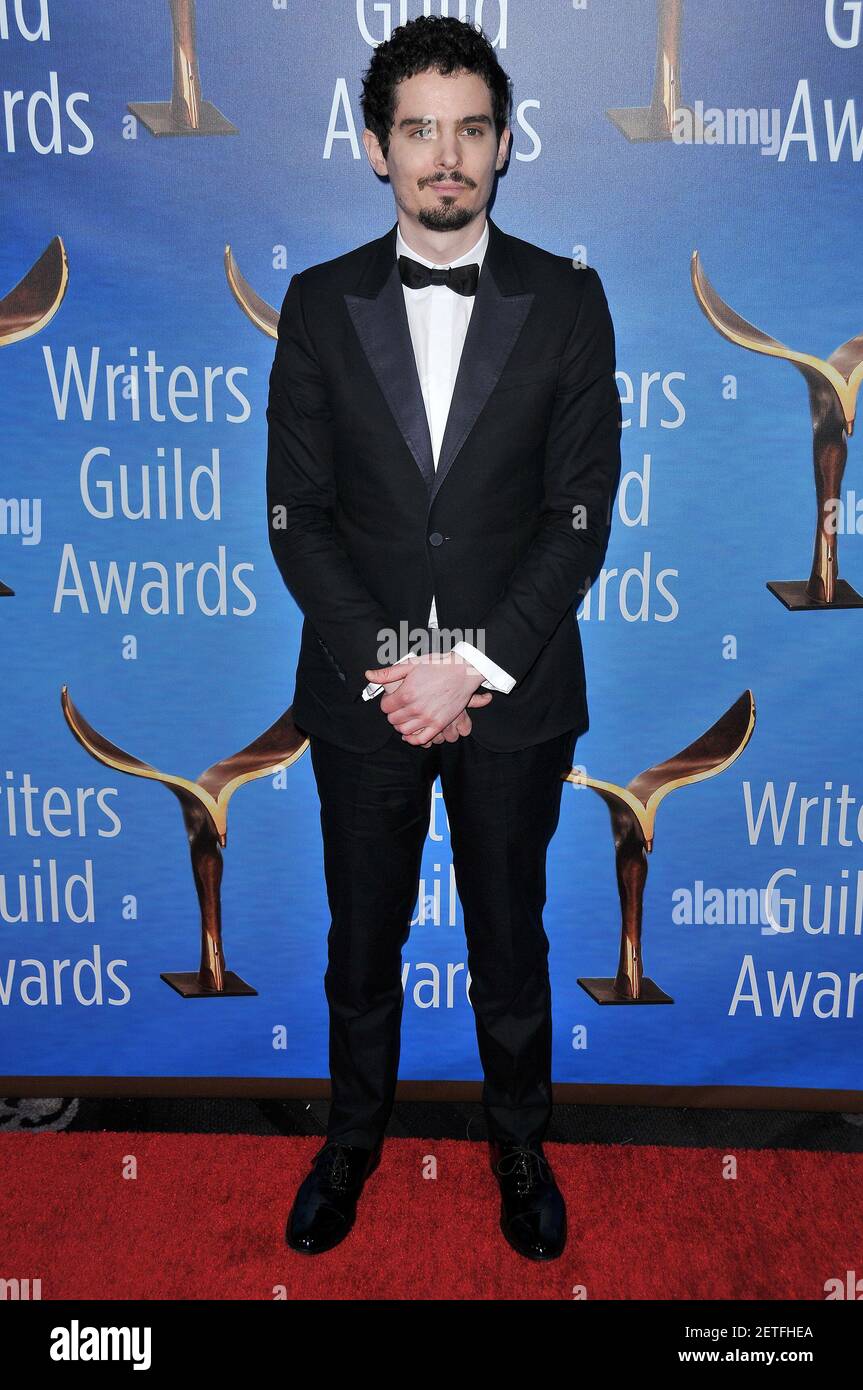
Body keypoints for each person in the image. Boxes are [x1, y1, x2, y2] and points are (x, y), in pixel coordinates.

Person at [266, 14, 621, 1261]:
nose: (445, 153)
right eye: (417, 128)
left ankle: (518, 1141)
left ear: (503, 142)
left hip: (510, 694)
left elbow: (578, 517)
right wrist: (396, 667)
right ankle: (350, 1136)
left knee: (507, 935)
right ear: (375, 150)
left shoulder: (568, 302)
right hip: (363, 694)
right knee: (359, 940)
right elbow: (297, 521)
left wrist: (465, 666)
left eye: (469, 126)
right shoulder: (315, 307)